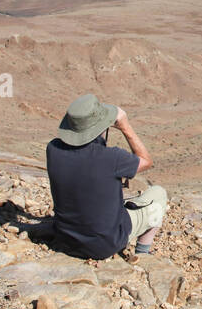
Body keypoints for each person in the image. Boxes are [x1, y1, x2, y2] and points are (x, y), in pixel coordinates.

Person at [46, 92, 167, 260]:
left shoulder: (53, 149)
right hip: (104, 245)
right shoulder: (112, 158)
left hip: (65, 240)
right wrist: (125, 126)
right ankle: (143, 255)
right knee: (158, 194)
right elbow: (146, 161)